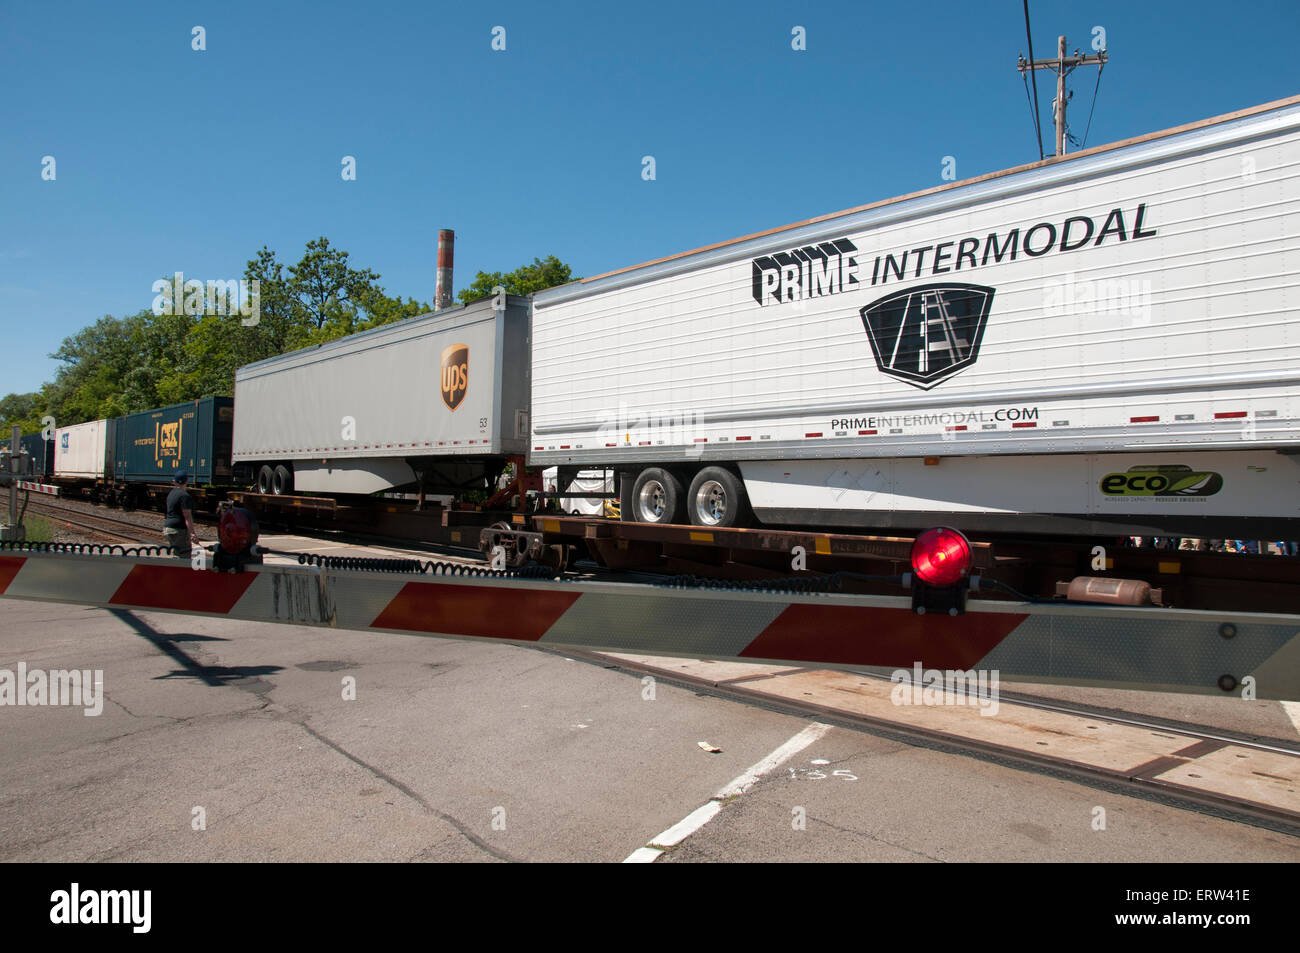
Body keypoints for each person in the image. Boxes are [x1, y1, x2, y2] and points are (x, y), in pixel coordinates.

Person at [164, 470, 200, 559]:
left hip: (168, 528)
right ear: (186, 481)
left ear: (174, 481)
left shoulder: (171, 494)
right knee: (184, 556)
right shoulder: (184, 496)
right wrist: (192, 533)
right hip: (179, 530)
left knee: (176, 554)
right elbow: (187, 516)